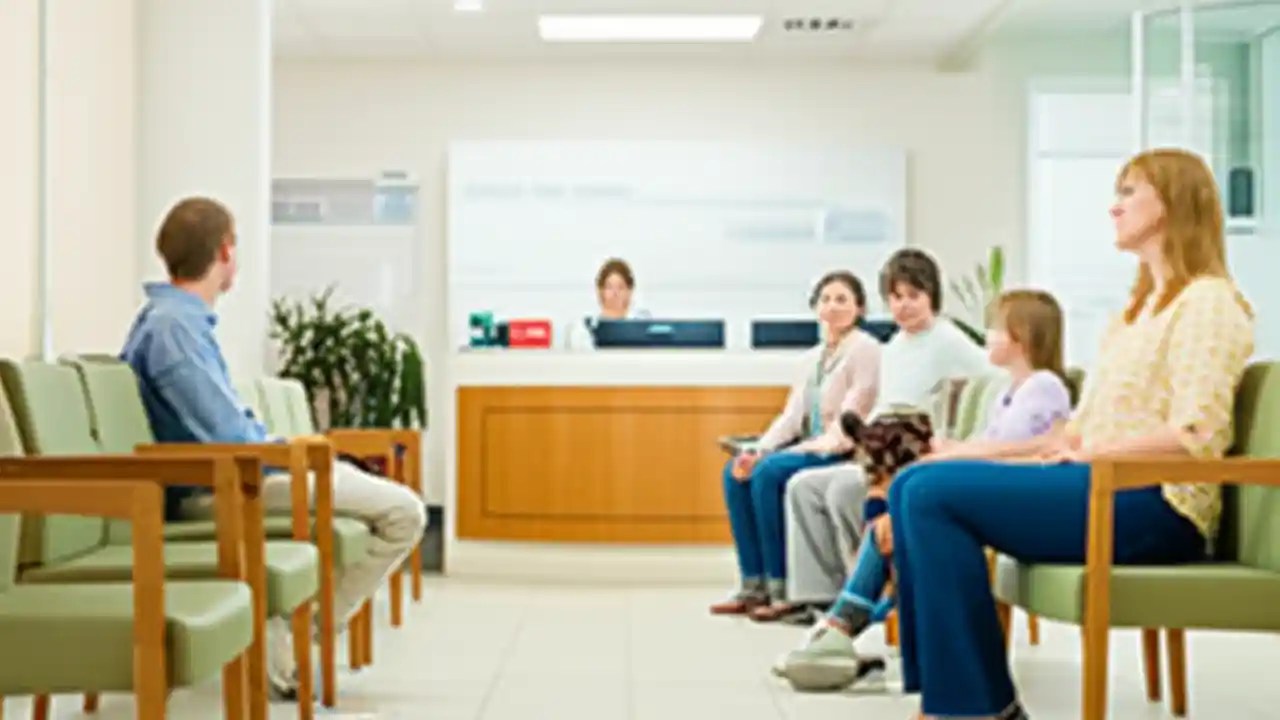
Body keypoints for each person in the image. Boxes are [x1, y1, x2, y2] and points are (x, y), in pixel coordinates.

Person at [889, 148, 1254, 720]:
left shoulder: (1208, 303)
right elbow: (1074, 433)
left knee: (932, 495)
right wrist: (1008, 455)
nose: (1115, 207)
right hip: (1103, 484)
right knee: (914, 483)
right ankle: (959, 698)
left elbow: (1198, 433)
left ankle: (970, 706)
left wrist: (1089, 453)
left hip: (1158, 505)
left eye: (1129, 192)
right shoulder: (1134, 313)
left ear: (1171, 204)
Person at [121, 197, 428, 700]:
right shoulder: (174, 329)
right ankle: (299, 631)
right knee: (404, 513)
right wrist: (287, 450)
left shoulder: (175, 322)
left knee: (365, 494)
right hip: (216, 489)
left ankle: (292, 631)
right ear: (226, 251)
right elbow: (229, 438)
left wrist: (287, 449)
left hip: (234, 475)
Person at [777, 290, 1073, 692]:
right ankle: (847, 625)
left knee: (901, 511)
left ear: (1021, 336)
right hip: (995, 486)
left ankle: (843, 624)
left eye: (995, 329)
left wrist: (954, 452)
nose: (986, 337)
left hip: (1018, 497)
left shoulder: (1043, 387)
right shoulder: (1013, 389)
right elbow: (997, 446)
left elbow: (1022, 450)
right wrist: (954, 450)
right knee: (894, 515)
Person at [779, 248, 990, 623]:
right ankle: (822, 596)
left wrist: (966, 438)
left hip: (914, 453)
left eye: (913, 296)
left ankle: (869, 591)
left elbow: (997, 379)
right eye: (895, 297)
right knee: (803, 486)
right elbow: (883, 405)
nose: (903, 305)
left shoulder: (947, 339)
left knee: (842, 491)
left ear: (931, 296)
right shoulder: (893, 346)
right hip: (880, 448)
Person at [710, 271, 881, 620]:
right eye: (826, 299)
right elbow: (791, 417)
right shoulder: (811, 358)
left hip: (840, 450)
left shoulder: (865, 349)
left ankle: (782, 588)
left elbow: (849, 422)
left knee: (768, 473)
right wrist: (757, 450)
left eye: (842, 299)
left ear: (860, 308)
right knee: (736, 472)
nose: (832, 306)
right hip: (809, 448)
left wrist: (779, 456)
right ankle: (753, 584)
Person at [565, 257, 649, 350]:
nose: (615, 293)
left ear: (629, 291)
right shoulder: (584, 329)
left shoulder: (642, 326)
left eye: (621, 287)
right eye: (609, 287)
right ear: (601, 291)